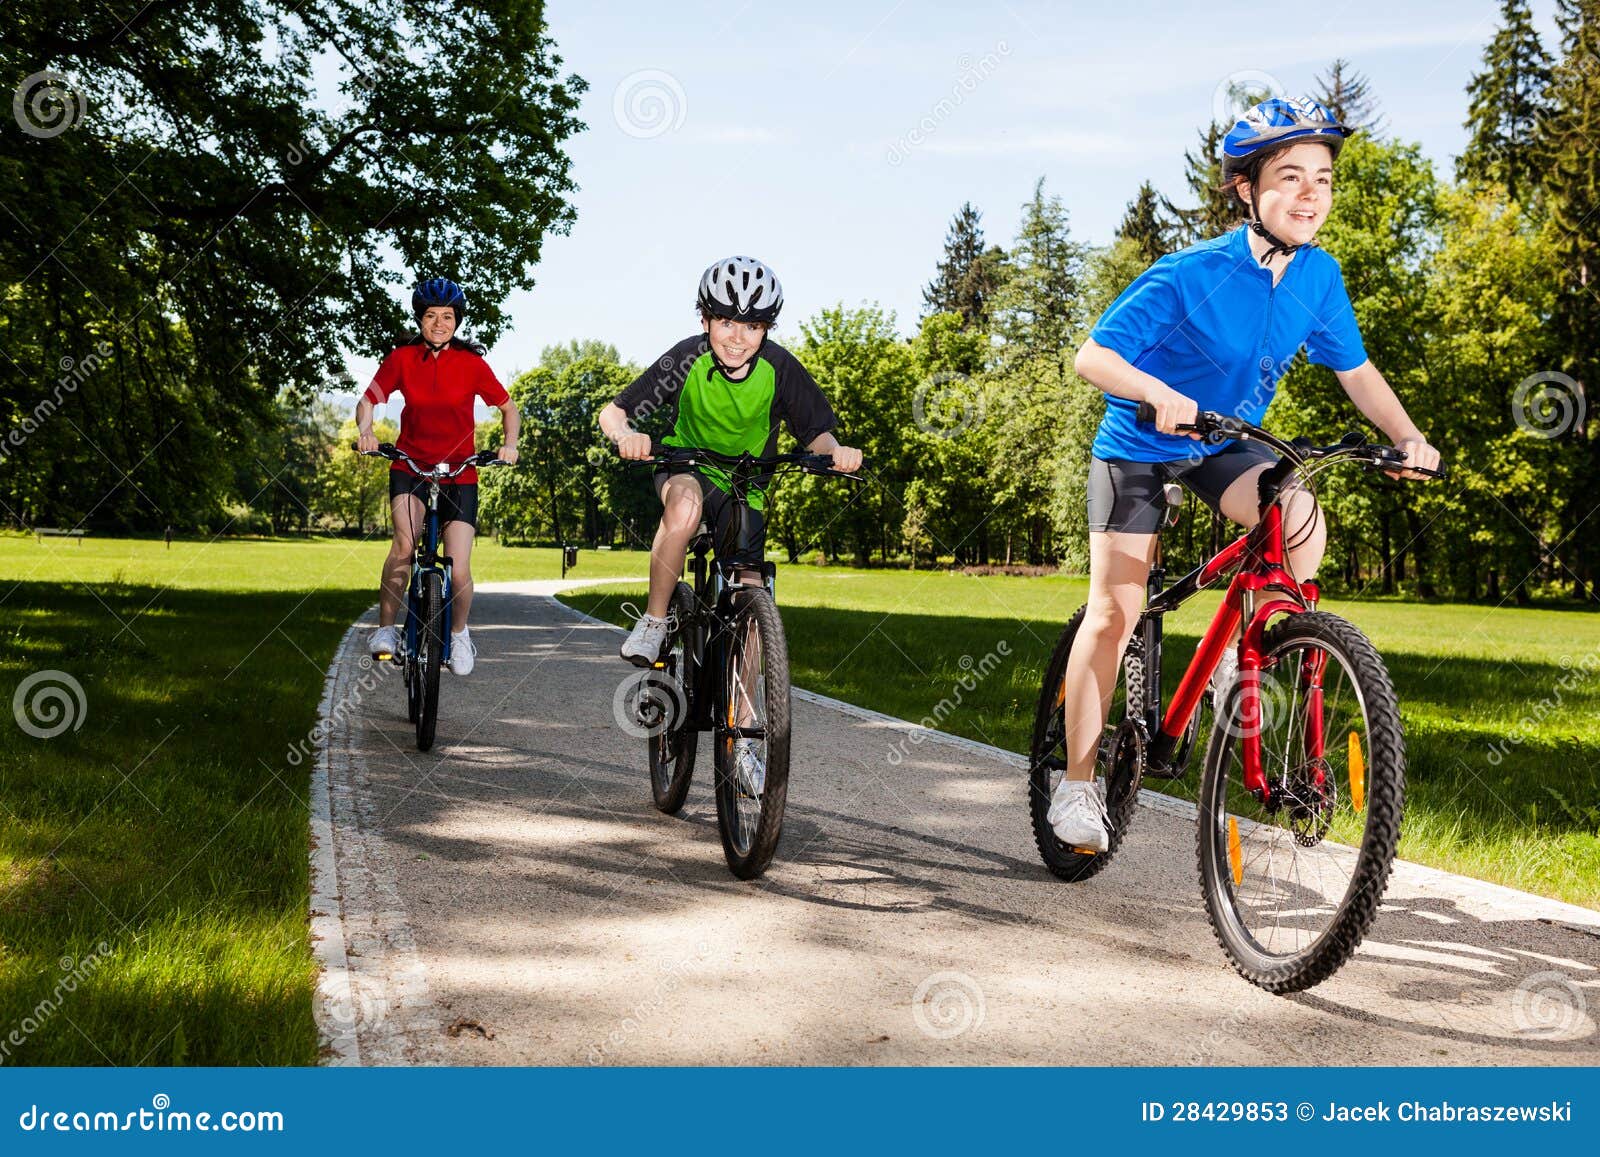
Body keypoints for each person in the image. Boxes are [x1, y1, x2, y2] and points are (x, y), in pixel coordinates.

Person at [1047, 97, 1442, 852]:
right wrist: (1158, 392)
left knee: (1297, 509)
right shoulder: (1191, 273)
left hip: (1226, 439)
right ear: (1244, 189)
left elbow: (1356, 373)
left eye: (1321, 179)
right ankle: (1075, 785)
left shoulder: (1319, 279)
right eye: (1289, 177)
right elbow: (1090, 357)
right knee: (1115, 612)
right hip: (1140, 440)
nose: (1309, 195)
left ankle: (1245, 653)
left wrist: (1408, 437)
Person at [598, 255, 863, 670]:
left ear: (766, 329)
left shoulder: (780, 368)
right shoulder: (687, 358)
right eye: (726, 323)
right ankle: (653, 620)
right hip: (685, 466)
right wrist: (625, 436)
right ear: (705, 321)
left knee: (753, 589)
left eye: (753, 326)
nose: (738, 338)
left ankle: (745, 722)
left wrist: (837, 451)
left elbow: (817, 434)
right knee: (684, 509)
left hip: (745, 482)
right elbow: (613, 413)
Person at [356, 278, 520, 676]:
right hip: (410, 468)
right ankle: (386, 631)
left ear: (457, 321)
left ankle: (460, 635)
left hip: (459, 474)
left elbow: (508, 408)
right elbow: (368, 400)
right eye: (431, 316)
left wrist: (509, 443)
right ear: (420, 319)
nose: (440, 323)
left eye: (447, 316)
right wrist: (366, 431)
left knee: (459, 567)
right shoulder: (402, 358)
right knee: (403, 545)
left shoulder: (472, 364)